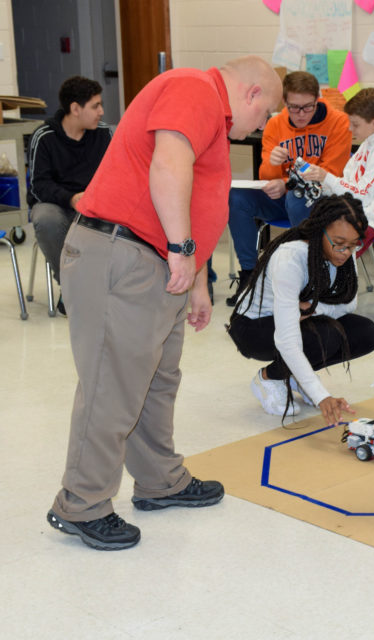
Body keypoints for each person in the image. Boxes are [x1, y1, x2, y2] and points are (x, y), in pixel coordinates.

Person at [46, 56, 282, 551]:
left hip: (153, 260)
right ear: (253, 94)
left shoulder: (210, 114)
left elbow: (196, 196)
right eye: (263, 119)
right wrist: (181, 250)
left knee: (156, 379)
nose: (256, 130)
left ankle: (159, 480)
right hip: (122, 253)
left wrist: (196, 280)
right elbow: (168, 167)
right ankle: (82, 504)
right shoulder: (194, 89)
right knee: (113, 385)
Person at [228, 194, 374, 426]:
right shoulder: (290, 257)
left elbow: (349, 303)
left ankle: (296, 375)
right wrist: (322, 396)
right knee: (324, 336)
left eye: (353, 244)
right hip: (253, 327)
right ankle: (269, 378)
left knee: (366, 333)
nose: (346, 252)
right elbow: (287, 339)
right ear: (320, 231)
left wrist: (313, 309)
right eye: (339, 243)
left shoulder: (344, 252)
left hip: (301, 318)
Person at [226, 71, 352, 305]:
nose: (301, 114)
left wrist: (284, 184)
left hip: (320, 201)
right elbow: (266, 177)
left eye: (307, 107)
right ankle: (249, 276)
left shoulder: (338, 122)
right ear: (285, 102)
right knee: (237, 198)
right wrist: (273, 165)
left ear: (318, 98)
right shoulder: (275, 124)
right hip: (284, 199)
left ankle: (307, 273)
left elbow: (329, 172)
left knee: (296, 196)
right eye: (294, 108)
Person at [28, 76, 111, 315]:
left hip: (92, 205)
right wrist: (71, 198)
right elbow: (38, 186)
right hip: (56, 205)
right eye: (95, 106)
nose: (101, 111)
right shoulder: (44, 137)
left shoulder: (103, 135)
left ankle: (101, 286)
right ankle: (70, 285)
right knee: (46, 219)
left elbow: (115, 176)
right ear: (75, 109)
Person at [301, 87, 374, 257]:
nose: (350, 129)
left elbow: (362, 195)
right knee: (314, 230)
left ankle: (331, 280)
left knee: (335, 249)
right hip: (357, 208)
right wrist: (322, 184)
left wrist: (327, 177)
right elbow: (349, 181)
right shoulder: (369, 141)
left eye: (355, 124)